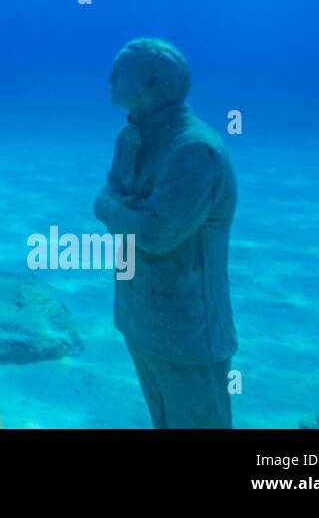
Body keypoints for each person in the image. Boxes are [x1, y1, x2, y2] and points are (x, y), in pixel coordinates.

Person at [93, 38, 238, 429]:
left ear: (153, 82)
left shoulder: (193, 150)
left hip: (188, 334)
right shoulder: (130, 138)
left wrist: (111, 209)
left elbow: (156, 234)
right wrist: (126, 211)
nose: (109, 79)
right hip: (140, 318)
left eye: (120, 72)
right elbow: (117, 197)